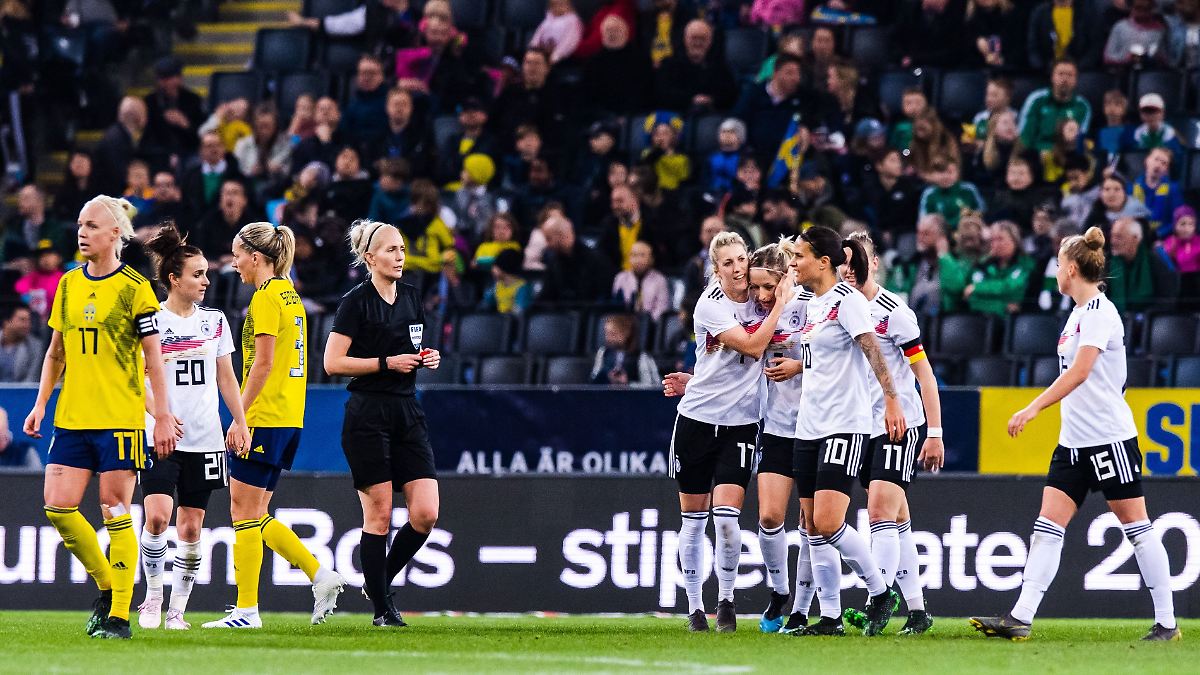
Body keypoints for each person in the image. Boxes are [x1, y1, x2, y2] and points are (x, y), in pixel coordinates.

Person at [970, 227, 1180, 642]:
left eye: (1057, 268)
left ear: (1069, 269)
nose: (1054, 275)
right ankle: (1020, 617)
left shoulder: (1101, 311)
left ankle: (1168, 623)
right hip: (1074, 443)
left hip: (1108, 440)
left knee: (1136, 526)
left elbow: (1082, 372)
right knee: (1047, 525)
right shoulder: (1078, 313)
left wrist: (1033, 407)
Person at [23, 195, 179, 640]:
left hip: (119, 419)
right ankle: (111, 587)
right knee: (58, 507)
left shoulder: (135, 289)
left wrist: (162, 415)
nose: (82, 232)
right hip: (72, 416)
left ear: (115, 234)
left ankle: (118, 617)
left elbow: (153, 360)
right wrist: (40, 404)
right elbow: (56, 352)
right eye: (79, 224)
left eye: (91, 225)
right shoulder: (69, 284)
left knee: (114, 511)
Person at [203, 222, 346, 629]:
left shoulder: (266, 298)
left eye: (237, 254)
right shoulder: (291, 295)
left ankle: (247, 610)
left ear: (256, 256)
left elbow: (262, 364)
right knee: (256, 513)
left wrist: (239, 417)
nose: (234, 263)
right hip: (288, 416)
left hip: (263, 417)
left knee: (243, 513)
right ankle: (320, 575)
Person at [659, 231, 792, 633]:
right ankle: (695, 606)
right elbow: (753, 347)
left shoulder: (760, 296)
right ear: (715, 271)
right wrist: (779, 307)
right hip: (697, 420)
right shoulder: (710, 306)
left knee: (729, 522)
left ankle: (727, 601)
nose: (737, 269)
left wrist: (782, 291)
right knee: (694, 521)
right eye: (728, 263)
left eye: (741, 260)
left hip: (741, 424)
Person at [784, 225, 905, 637]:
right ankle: (831, 617)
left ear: (823, 261)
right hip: (808, 424)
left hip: (845, 425)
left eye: (800, 256)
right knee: (811, 525)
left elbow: (873, 351)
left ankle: (880, 590)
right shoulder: (812, 304)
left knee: (829, 520)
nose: (794, 263)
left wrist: (891, 401)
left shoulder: (846, 301)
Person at [324, 219, 443, 627]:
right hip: (367, 411)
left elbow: (408, 347)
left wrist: (427, 357)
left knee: (425, 512)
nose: (400, 257)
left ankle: (379, 581)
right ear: (370, 258)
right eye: (392, 250)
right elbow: (332, 362)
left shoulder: (411, 297)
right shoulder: (355, 301)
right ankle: (383, 608)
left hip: (407, 409)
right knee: (378, 515)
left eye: (403, 250)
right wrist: (383, 364)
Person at [135, 225, 250, 631]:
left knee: (191, 525)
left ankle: (177, 611)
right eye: (197, 274)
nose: (205, 281)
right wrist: (159, 413)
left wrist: (239, 420)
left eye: (206, 274)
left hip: (204, 436)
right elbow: (138, 377)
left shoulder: (216, 322)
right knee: (157, 518)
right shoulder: (151, 322)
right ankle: (150, 600)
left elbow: (226, 378)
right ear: (174, 279)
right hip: (160, 435)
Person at [836, 231, 943, 637]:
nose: (851, 268)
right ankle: (917, 611)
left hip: (899, 424)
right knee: (897, 521)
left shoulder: (893, 311)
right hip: (861, 424)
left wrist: (934, 432)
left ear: (874, 263)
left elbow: (925, 375)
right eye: (845, 261)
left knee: (879, 510)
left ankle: (875, 603)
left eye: (858, 260)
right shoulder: (839, 309)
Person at [1108, 217, 1181, 314]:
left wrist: (1146, 315)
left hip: (1148, 322)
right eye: (1112, 236)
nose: (1113, 241)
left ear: (1136, 239)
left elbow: (1167, 298)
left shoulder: (1154, 261)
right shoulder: (1106, 264)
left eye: (1119, 237)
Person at [1018, 59, 1092, 153]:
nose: (1065, 79)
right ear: (1052, 77)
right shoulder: (1036, 100)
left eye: (1070, 75)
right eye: (1060, 74)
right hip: (1034, 157)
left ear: (1076, 80)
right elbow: (1024, 137)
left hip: (1066, 158)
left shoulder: (1082, 106)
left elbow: (1080, 143)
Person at [591, 313, 660, 385]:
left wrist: (628, 383)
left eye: (613, 334)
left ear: (626, 333)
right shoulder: (603, 353)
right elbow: (594, 379)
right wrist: (606, 377)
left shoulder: (642, 357)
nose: (607, 338)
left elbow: (652, 385)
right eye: (606, 333)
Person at [611, 241, 670, 321]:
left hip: (652, 325)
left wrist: (645, 323)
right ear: (629, 258)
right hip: (625, 324)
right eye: (634, 255)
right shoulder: (621, 278)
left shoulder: (660, 280)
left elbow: (662, 309)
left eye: (642, 255)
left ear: (651, 259)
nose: (638, 260)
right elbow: (616, 306)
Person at [0, 304, 44, 382]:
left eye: (29, 321)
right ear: (6, 322)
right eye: (22, 320)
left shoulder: (35, 347)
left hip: (21, 393)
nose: (27, 325)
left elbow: (32, 379)